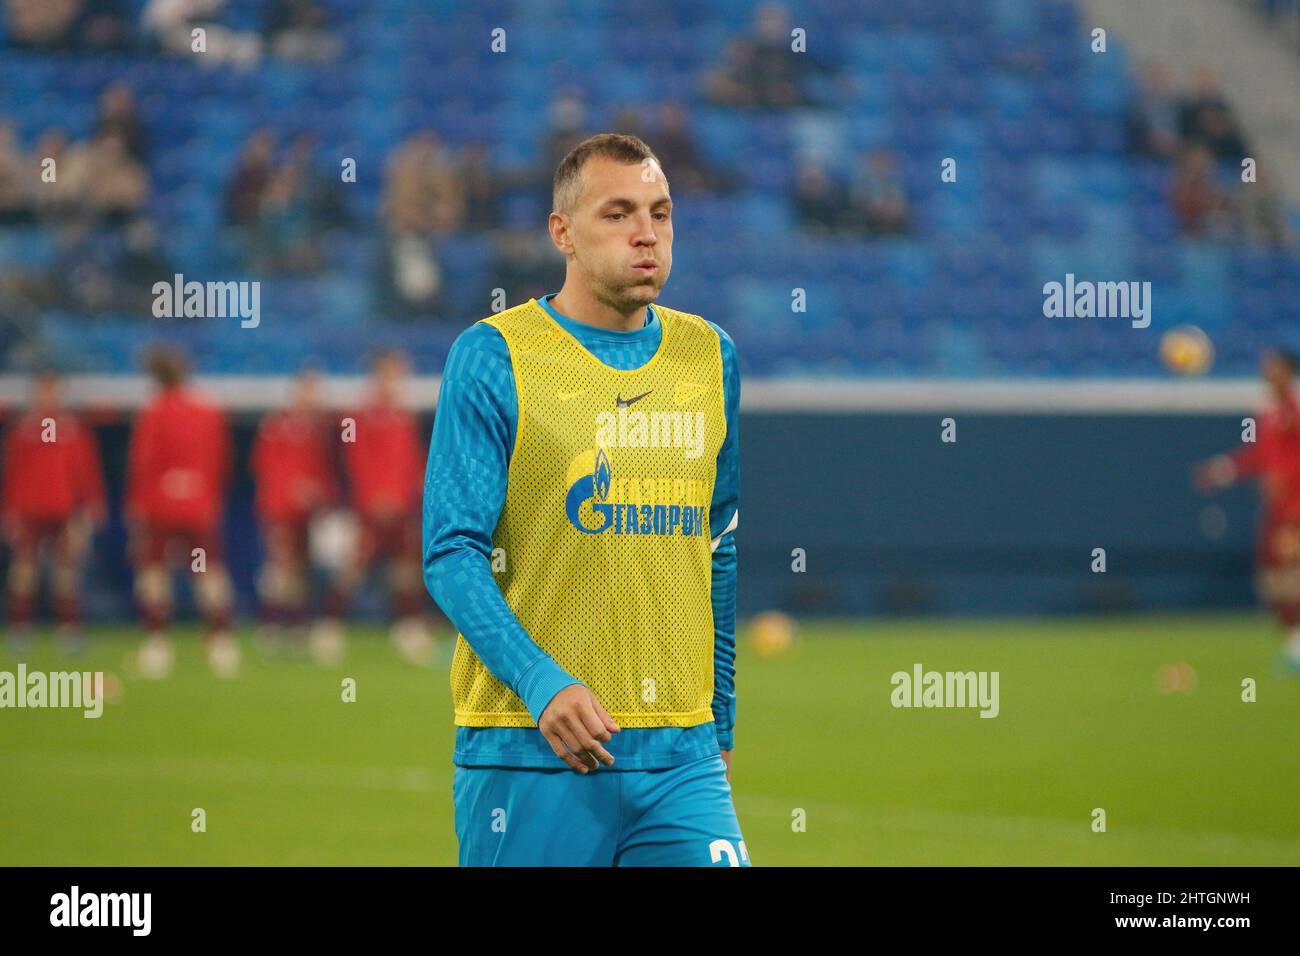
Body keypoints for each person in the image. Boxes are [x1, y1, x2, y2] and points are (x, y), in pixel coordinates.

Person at [424, 133, 746, 866]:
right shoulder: (492, 355)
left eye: (661, 214)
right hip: (530, 750)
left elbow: (718, 549)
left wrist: (719, 725)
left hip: (683, 759)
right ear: (561, 233)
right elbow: (450, 553)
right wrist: (542, 684)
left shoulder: (710, 357)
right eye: (619, 214)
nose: (647, 235)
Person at [311, 349, 435, 666]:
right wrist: (374, 496)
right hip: (372, 505)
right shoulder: (358, 415)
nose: (399, 381)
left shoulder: (401, 415)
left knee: (404, 568)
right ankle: (328, 626)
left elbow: (410, 459)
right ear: (379, 375)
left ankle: (407, 627)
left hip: (401, 504)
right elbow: (357, 461)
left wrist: (416, 489)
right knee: (355, 567)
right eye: (394, 374)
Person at [126, 345, 238, 678]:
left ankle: (157, 644)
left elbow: (143, 464)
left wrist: (138, 509)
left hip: (160, 508)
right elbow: (221, 461)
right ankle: (220, 643)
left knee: (156, 573)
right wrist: (210, 497)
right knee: (208, 571)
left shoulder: (154, 412)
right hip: (199, 507)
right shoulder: (208, 411)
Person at [1195, 349, 1300, 671]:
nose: (1267, 372)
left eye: (1274, 367)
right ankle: (1293, 643)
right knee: (1270, 580)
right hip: (1275, 511)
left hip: (1295, 510)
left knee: (1290, 576)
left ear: (1288, 372)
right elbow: (1257, 456)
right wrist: (1223, 470)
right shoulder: (1266, 414)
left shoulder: (1295, 411)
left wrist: (1288, 478)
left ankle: (1296, 647)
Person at [1, 370, 106, 651]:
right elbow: (13, 473)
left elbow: (85, 472)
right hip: (29, 512)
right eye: (44, 390)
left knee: (66, 573)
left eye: (53, 390)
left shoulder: (73, 430)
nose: (48, 396)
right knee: (24, 572)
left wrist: (90, 507)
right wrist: (9, 511)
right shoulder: (23, 429)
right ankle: (20, 630)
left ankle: (69, 630)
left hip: (65, 511)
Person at [250, 369, 338, 653]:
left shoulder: (318, 430)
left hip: (306, 513)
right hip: (280, 509)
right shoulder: (277, 425)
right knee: (281, 566)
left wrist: (320, 495)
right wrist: (290, 492)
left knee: (301, 569)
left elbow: (322, 473)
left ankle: (297, 626)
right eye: (308, 391)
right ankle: (272, 625)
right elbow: (265, 468)